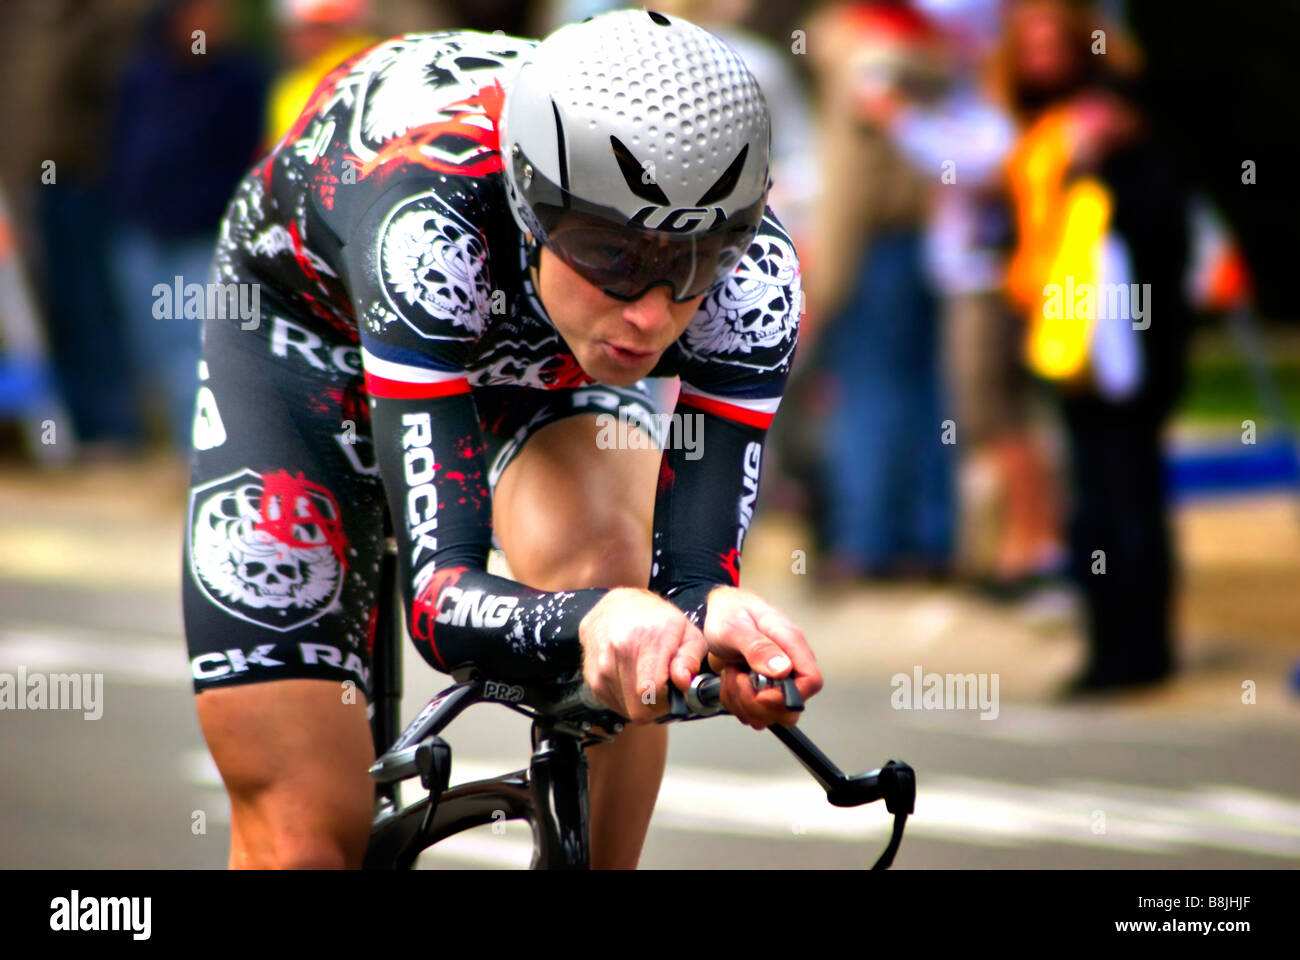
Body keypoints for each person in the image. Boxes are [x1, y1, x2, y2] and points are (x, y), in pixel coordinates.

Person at [183, 9, 821, 870]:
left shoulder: (754, 280)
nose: (651, 312)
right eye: (612, 255)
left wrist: (710, 617)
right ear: (531, 205)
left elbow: (691, 585)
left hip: (543, 346)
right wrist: (590, 623)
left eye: (696, 262)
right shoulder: (429, 225)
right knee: (301, 838)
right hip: (308, 331)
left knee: (619, 580)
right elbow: (439, 602)